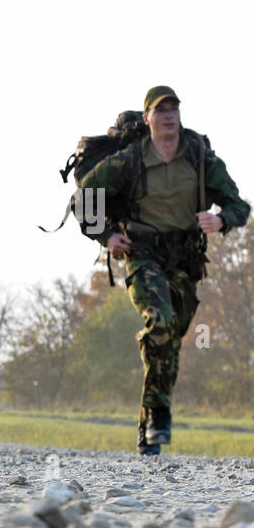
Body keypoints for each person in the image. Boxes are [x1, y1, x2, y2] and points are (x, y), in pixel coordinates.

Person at [77, 86, 248, 455]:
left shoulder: (198, 156)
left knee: (170, 340)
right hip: (142, 257)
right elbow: (84, 199)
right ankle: (160, 416)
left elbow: (240, 206)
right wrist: (106, 236)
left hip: (185, 260)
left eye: (174, 108)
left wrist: (221, 221)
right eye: (161, 109)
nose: (169, 115)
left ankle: (148, 426)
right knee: (162, 323)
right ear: (147, 118)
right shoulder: (130, 160)